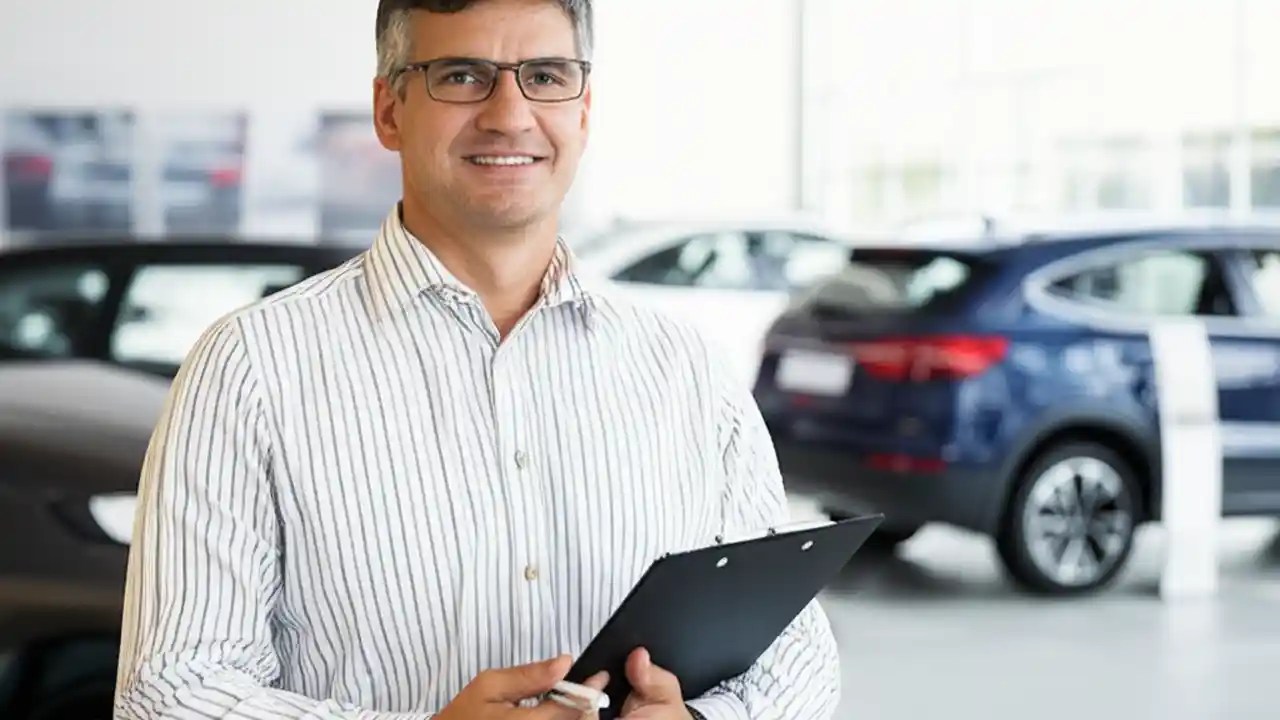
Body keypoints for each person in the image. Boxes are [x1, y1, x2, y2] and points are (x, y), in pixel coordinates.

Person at [112, 1, 841, 718]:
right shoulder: (249, 367)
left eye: (547, 76)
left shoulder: (689, 371)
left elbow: (798, 663)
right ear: (389, 110)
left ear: (583, 109)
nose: (509, 114)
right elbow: (170, 694)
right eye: (462, 75)